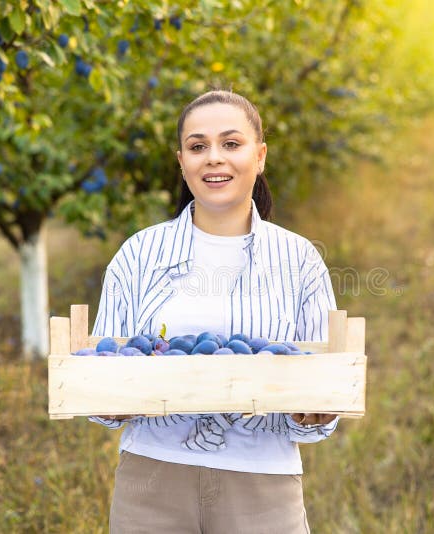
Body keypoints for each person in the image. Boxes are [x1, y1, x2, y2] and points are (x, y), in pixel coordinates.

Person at [89, 90, 339, 533]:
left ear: (260, 156)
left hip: (263, 485)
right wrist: (116, 396)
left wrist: (313, 409)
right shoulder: (138, 255)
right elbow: (100, 384)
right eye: (198, 146)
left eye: (231, 143)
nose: (213, 158)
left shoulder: (299, 260)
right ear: (181, 161)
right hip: (153, 480)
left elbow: (321, 411)